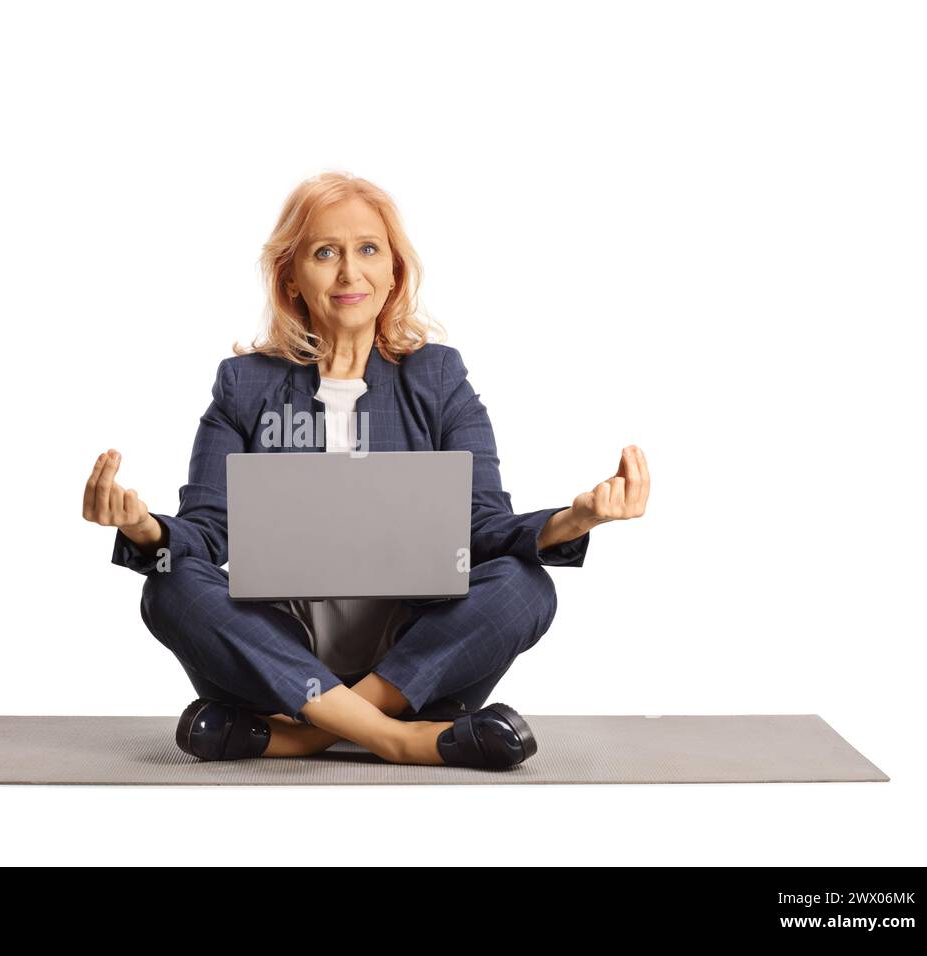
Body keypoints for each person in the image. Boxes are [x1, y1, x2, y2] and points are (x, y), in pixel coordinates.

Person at [82, 171, 649, 769]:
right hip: (277, 652)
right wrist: (143, 529)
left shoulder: (438, 378)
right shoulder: (244, 385)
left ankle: (308, 733)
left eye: (369, 250)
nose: (350, 272)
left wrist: (574, 520)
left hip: (413, 653)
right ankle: (401, 739)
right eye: (325, 253)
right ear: (291, 277)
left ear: (394, 273)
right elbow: (206, 533)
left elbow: (483, 528)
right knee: (169, 584)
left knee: (524, 584)